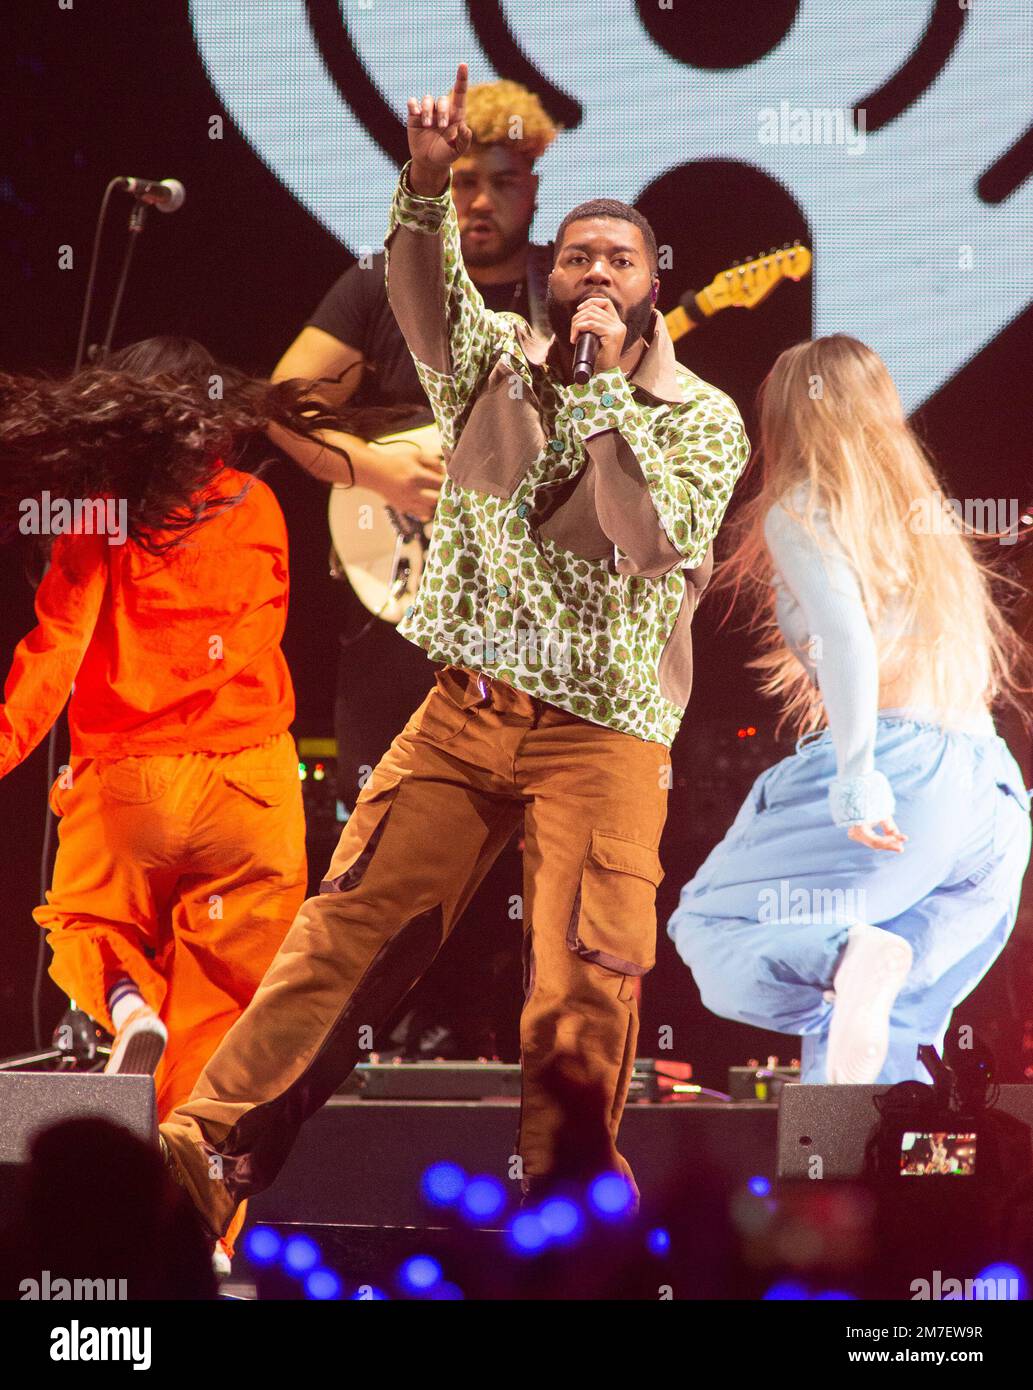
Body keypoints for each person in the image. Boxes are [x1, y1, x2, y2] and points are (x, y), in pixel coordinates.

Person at [157, 62, 749, 1238]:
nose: (590, 273)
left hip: (605, 737)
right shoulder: (493, 366)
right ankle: (203, 1148)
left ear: (650, 290)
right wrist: (422, 188)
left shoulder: (700, 417)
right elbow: (422, 296)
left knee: (578, 989)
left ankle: (569, 1215)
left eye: (616, 261)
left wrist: (596, 401)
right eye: (575, 256)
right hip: (467, 708)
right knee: (344, 930)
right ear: (553, 273)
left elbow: (642, 537)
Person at [0, 336, 370, 1259]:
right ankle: (200, 1238)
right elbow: (263, 628)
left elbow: (55, 653)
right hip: (250, 794)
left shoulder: (100, 516)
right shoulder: (260, 504)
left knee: (82, 922)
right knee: (225, 1039)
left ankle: (127, 1009)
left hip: (131, 783)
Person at [667, 335, 1032, 1085]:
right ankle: (865, 1188)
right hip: (991, 799)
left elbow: (844, 638)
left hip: (903, 775)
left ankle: (844, 956)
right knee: (889, 1017)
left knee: (711, 924)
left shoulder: (801, 507)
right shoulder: (920, 520)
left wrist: (857, 775)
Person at [271, 77, 559, 811]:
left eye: (504, 182)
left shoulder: (562, 292)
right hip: (398, 604)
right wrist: (377, 470)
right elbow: (280, 406)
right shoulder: (378, 285)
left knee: (532, 836)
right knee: (383, 824)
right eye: (464, 182)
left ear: (535, 187)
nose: (482, 202)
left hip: (531, 619)